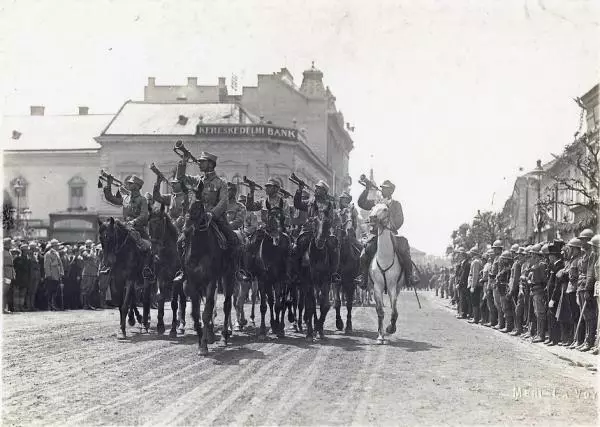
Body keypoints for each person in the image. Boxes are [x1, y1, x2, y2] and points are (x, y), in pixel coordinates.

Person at [174, 151, 238, 284]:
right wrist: (184, 162)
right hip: (196, 219)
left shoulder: (221, 183)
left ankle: (236, 270)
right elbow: (180, 178)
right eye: (200, 161)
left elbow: (223, 202)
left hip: (215, 218)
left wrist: (212, 213)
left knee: (233, 239)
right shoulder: (198, 180)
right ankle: (183, 271)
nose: (199, 163)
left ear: (211, 164)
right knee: (180, 242)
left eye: (203, 161)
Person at [355, 178, 411, 289]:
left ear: (391, 191)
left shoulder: (396, 205)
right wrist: (366, 189)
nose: (384, 191)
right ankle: (363, 277)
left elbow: (400, 219)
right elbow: (361, 203)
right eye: (383, 188)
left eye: (387, 189)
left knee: (404, 250)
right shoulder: (377, 203)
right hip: (376, 235)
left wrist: (389, 225)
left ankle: (410, 277)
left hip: (391, 234)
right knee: (363, 255)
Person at [103, 174, 152, 278]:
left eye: (131, 183)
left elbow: (144, 215)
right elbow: (110, 198)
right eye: (129, 183)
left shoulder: (142, 200)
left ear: (138, 186)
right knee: (111, 237)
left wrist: (134, 222)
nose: (128, 184)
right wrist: (108, 182)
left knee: (147, 247)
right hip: (125, 226)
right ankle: (109, 264)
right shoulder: (125, 198)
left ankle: (146, 268)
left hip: (138, 229)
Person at [293, 179, 339, 278]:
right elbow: (297, 204)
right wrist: (299, 190)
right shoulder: (310, 202)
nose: (316, 190)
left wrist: (322, 220)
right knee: (297, 246)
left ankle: (333, 273)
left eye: (319, 188)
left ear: (324, 192)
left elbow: (331, 219)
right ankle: (296, 272)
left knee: (334, 247)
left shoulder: (329, 204)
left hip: (323, 232)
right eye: (316, 188)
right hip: (309, 230)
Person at [530, 244, 548, 343]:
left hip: (539, 291)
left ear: (537, 255)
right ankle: (538, 334)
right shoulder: (536, 265)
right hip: (535, 290)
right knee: (537, 313)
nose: (532, 256)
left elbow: (544, 279)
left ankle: (541, 335)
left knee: (540, 313)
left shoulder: (541, 265)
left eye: (533, 254)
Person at [44, 239, 64, 311]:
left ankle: (53, 304)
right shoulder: (48, 254)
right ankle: (50, 306)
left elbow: (60, 264)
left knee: (55, 291)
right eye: (57, 245)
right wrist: (48, 274)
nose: (58, 247)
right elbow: (47, 265)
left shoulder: (57, 253)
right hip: (52, 275)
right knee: (50, 291)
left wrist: (61, 272)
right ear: (53, 246)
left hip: (57, 274)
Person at [467, 248, 483, 324]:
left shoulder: (476, 262)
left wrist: (473, 286)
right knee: (475, 301)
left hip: (475, 285)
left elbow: (475, 275)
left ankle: (475, 318)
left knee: (475, 301)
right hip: (476, 284)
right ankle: (475, 317)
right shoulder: (477, 261)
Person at [3, 238, 15, 313]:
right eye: (10, 243)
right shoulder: (2, 252)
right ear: (7, 244)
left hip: (9, 273)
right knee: (3, 292)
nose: (11, 245)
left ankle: (3, 308)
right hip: (5, 274)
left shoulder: (8, 252)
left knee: (6, 293)